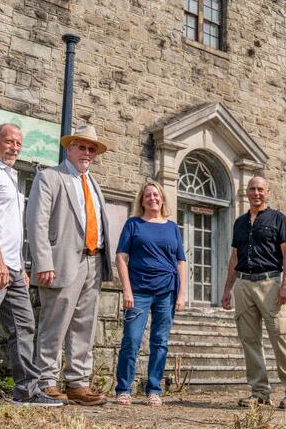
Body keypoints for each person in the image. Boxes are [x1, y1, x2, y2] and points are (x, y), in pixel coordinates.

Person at [0, 123, 62, 407]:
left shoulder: (11, 176)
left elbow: (10, 227)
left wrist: (19, 265)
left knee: (24, 327)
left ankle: (27, 390)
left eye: (19, 144)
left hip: (13, 267)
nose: (14, 148)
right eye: (9, 142)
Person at [26, 124, 114, 406]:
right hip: (62, 262)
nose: (87, 153)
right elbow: (36, 222)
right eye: (82, 147)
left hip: (93, 260)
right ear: (69, 147)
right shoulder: (50, 177)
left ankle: (78, 383)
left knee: (84, 326)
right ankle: (46, 380)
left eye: (92, 149)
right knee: (55, 322)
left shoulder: (93, 182)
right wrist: (43, 261)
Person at [220, 176, 286, 409]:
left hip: (270, 283)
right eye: (252, 189)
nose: (256, 192)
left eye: (260, 189)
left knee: (280, 336)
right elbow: (234, 258)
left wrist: (285, 285)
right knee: (249, 340)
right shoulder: (239, 222)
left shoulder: (278, 219)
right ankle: (259, 392)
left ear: (267, 192)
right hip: (244, 284)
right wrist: (228, 288)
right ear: (246, 192)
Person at [112, 182, 188, 407]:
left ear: (162, 199)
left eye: (156, 194)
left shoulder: (172, 227)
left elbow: (181, 261)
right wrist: (127, 289)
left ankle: (154, 389)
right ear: (142, 200)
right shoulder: (133, 224)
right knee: (131, 341)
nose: (152, 198)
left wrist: (182, 294)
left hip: (166, 292)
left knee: (160, 342)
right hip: (139, 292)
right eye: (147, 195)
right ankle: (123, 389)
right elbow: (121, 258)